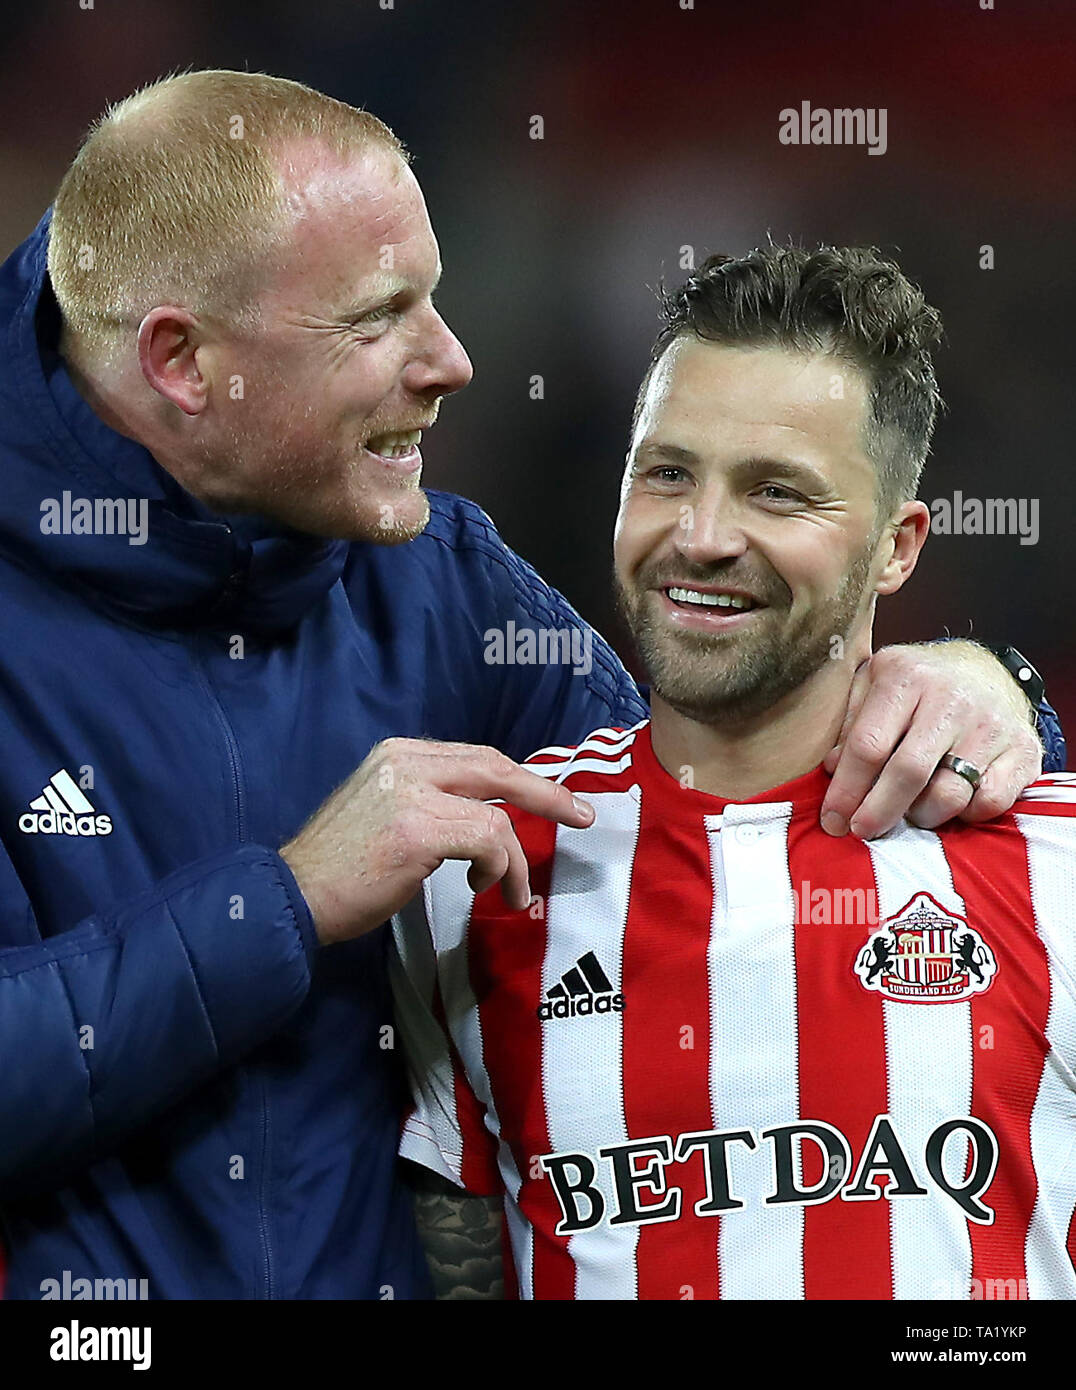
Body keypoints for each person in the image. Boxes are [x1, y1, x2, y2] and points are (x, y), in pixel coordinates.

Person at [0, 69, 1059, 1301]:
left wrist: (988, 687)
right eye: (375, 319)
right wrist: (285, 903)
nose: (449, 359)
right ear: (182, 361)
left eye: (433, 298)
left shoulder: (438, 586)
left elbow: (694, 820)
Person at [391, 245, 1075, 1301]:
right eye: (666, 473)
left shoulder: (1049, 860)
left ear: (895, 548)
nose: (700, 537)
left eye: (777, 493)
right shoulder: (480, 868)